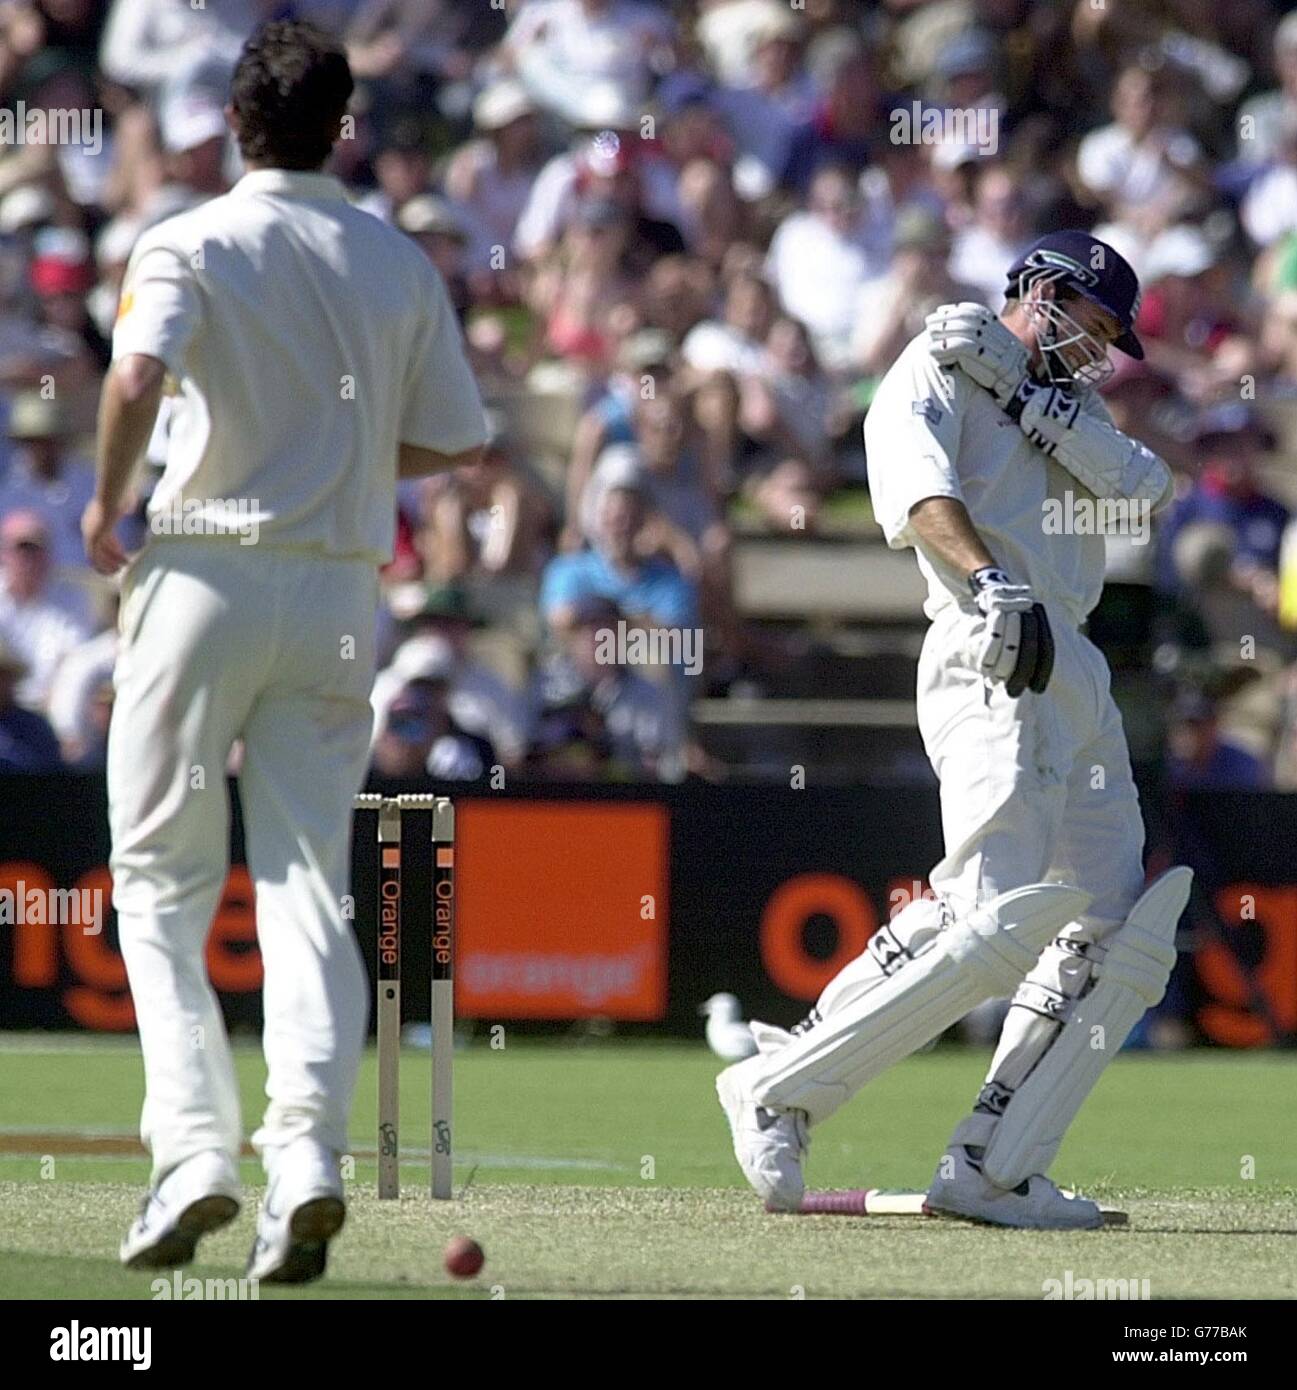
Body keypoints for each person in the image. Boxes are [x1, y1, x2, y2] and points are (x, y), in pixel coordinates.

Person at [85, 22, 486, 1284]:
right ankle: (305, 1161)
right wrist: (350, 467)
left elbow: (136, 371)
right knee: (311, 884)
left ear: (232, 124)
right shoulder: (393, 257)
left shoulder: (190, 238)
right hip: (337, 595)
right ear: (340, 122)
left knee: (159, 882)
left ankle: (196, 1155)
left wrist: (105, 507)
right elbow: (454, 441)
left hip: (203, 569)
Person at [716, 231, 1192, 1228]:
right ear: (1046, 294)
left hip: (1076, 666)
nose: (1099, 350)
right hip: (991, 642)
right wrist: (990, 582)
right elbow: (918, 493)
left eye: (1111, 336)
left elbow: (1147, 488)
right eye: (1094, 324)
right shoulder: (935, 364)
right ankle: (781, 1086)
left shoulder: (1072, 408)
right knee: (988, 914)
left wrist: (1032, 397)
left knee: (1108, 933)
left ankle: (990, 1163)